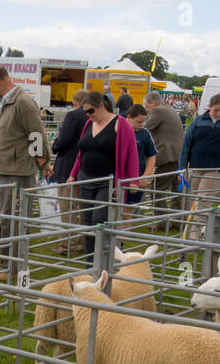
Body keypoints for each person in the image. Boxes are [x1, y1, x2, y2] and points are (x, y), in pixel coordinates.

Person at [0, 64, 50, 280]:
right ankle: (7, 257)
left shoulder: (23, 102)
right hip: (2, 169)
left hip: (17, 170)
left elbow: (36, 135)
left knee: (10, 219)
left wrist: (42, 163)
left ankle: (11, 266)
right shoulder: (7, 101)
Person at [66, 90, 139, 258]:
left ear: (100, 106)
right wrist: (73, 174)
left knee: (98, 220)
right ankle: (91, 262)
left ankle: (103, 259)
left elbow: (132, 153)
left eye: (90, 111)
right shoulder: (88, 124)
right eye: (86, 112)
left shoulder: (120, 124)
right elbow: (82, 152)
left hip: (107, 181)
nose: (88, 115)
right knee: (88, 221)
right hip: (86, 179)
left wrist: (133, 180)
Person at [178, 93, 220, 213]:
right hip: (196, 166)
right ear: (210, 107)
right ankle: (194, 228)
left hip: (217, 168)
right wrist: (182, 170)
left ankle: (196, 231)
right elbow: (186, 146)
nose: (219, 113)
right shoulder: (197, 122)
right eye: (216, 110)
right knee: (191, 201)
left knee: (203, 200)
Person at [50, 90, 89, 255]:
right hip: (85, 166)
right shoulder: (92, 116)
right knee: (81, 207)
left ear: (75, 102)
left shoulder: (73, 116)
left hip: (69, 166)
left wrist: (55, 145)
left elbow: (64, 140)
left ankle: (68, 245)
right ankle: (82, 243)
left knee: (68, 207)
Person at [142, 91, 185, 226]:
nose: (146, 110)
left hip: (168, 155)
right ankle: (177, 220)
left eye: (146, 106)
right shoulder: (169, 109)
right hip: (178, 155)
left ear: (152, 103)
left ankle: (162, 222)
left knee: (156, 188)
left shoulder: (158, 111)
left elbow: (144, 129)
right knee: (177, 188)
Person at [127, 104, 159, 194]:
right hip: (121, 178)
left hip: (138, 178)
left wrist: (145, 176)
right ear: (129, 117)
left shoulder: (144, 133)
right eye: (139, 122)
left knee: (131, 206)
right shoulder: (119, 131)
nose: (142, 125)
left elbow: (152, 155)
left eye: (143, 122)